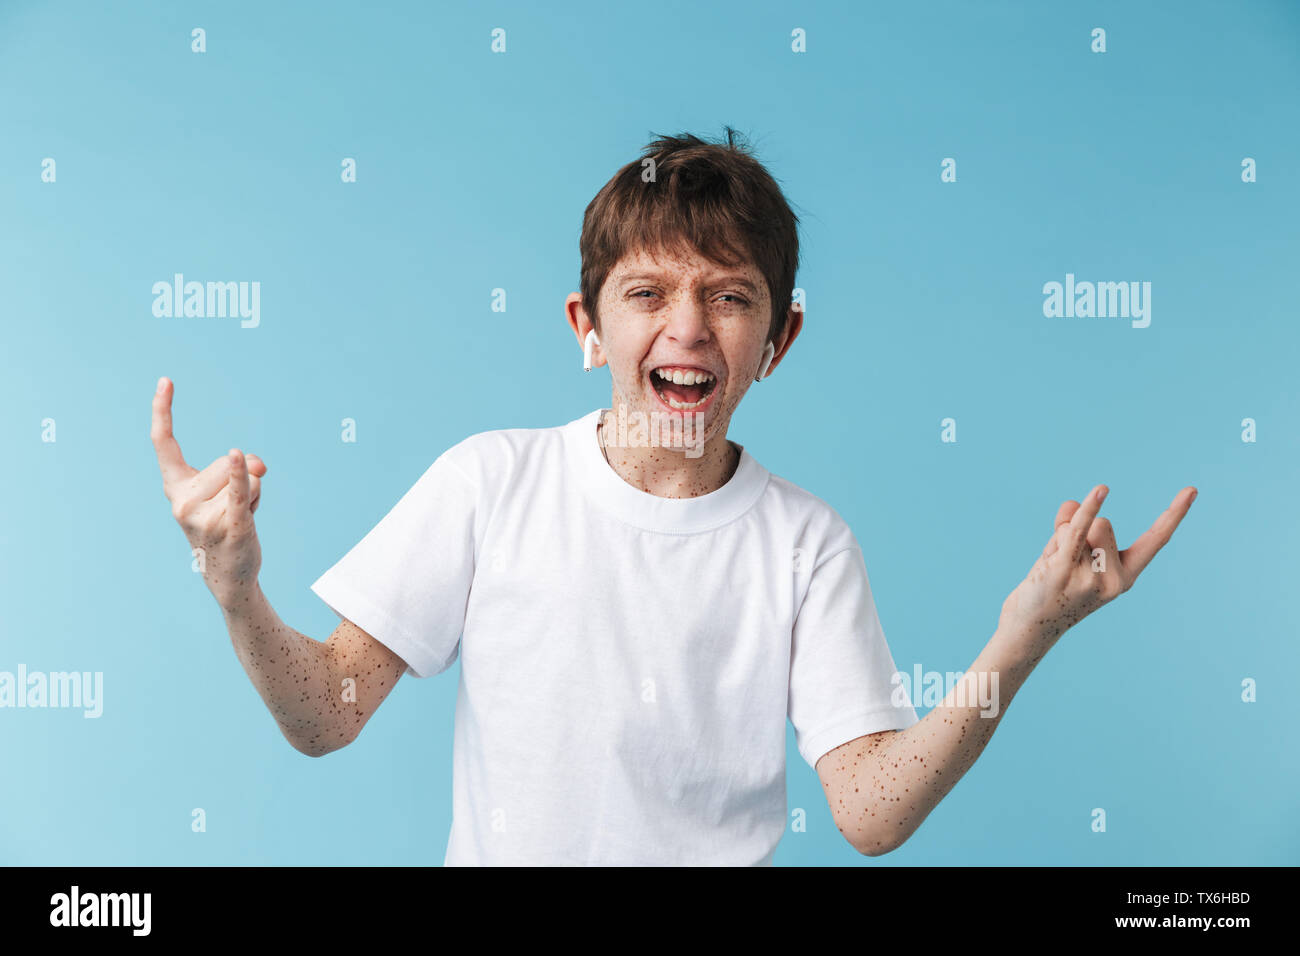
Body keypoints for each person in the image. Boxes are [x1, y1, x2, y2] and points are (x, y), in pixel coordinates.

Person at [150, 128, 1196, 865]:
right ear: (586, 326)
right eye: (647, 292)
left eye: (730, 296)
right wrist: (236, 587)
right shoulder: (490, 481)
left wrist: (1023, 634)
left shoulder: (806, 544)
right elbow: (327, 715)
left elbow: (870, 812)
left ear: (776, 341)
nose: (688, 326)